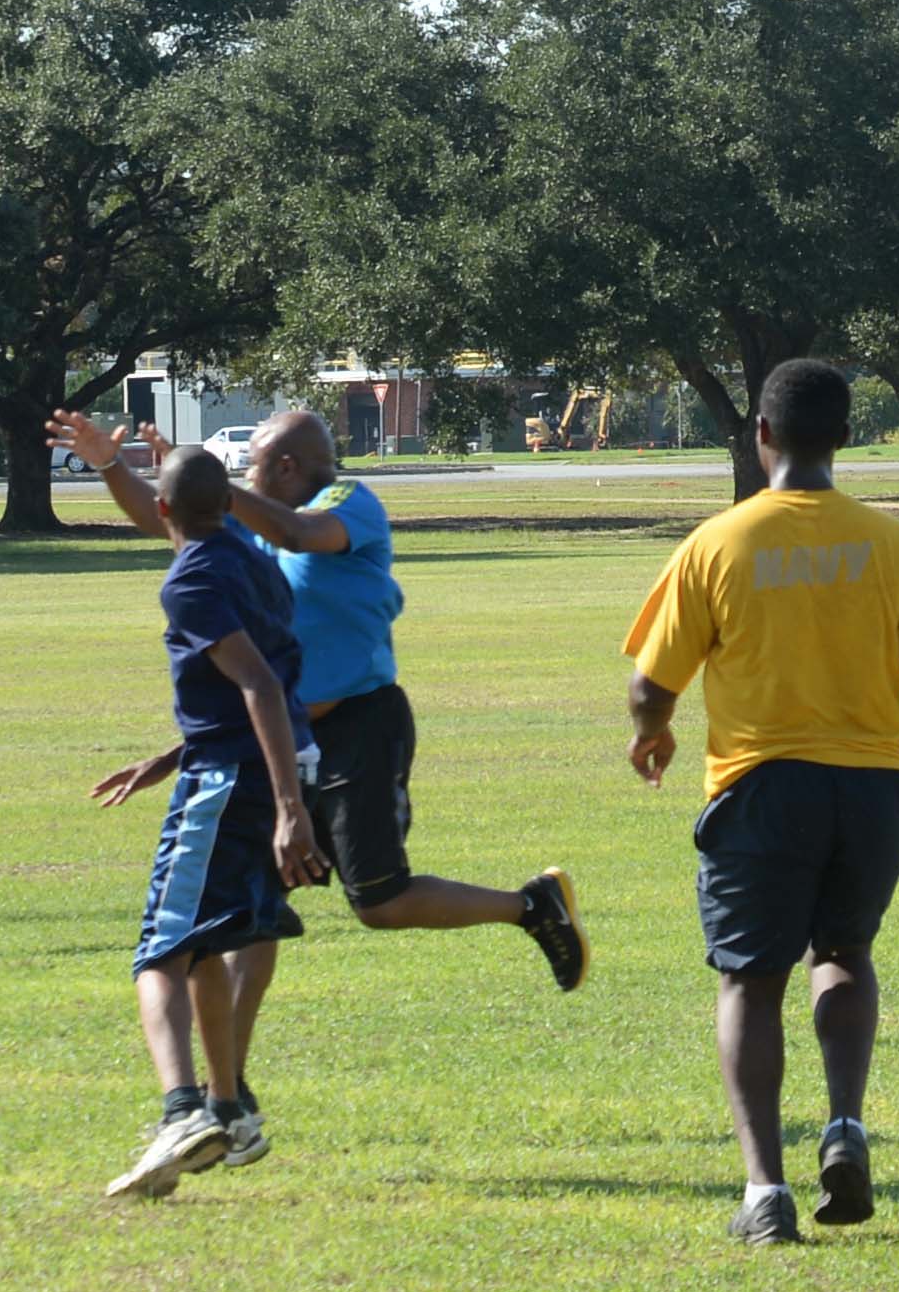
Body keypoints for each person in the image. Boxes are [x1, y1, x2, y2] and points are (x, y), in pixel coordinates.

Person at [50, 407, 589, 1080]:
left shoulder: (345, 502)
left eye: (250, 468)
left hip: (360, 725)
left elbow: (299, 533)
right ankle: (230, 1090)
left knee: (380, 902)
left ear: (284, 468)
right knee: (254, 912)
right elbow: (176, 524)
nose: (245, 482)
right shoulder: (252, 533)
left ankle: (530, 905)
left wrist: (209, 484)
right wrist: (115, 467)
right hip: (283, 737)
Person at [624, 360, 899, 1246]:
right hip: (874, 790)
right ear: (844, 438)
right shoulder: (896, 544)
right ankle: (845, 1125)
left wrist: (651, 732)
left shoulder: (718, 543)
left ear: (761, 435)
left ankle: (765, 1192)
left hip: (759, 786)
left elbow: (649, 682)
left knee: (750, 979)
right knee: (844, 951)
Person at [97, 447, 331, 1200]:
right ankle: (231, 1110)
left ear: (163, 512)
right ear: (227, 504)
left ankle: (180, 1112)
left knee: (159, 952)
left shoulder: (191, 579)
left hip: (234, 784)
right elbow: (260, 679)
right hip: (263, 767)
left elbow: (259, 682)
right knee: (209, 944)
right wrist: (172, 756)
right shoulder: (249, 556)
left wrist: (289, 811)